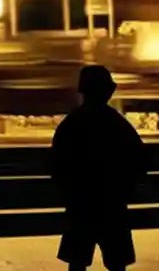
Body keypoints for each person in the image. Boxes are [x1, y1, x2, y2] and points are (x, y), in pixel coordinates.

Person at [51, 65, 147, 271]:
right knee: (116, 260)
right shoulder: (116, 123)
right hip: (112, 202)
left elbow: (58, 162)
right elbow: (138, 157)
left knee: (77, 260)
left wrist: (68, 192)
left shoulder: (72, 123)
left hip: (81, 203)